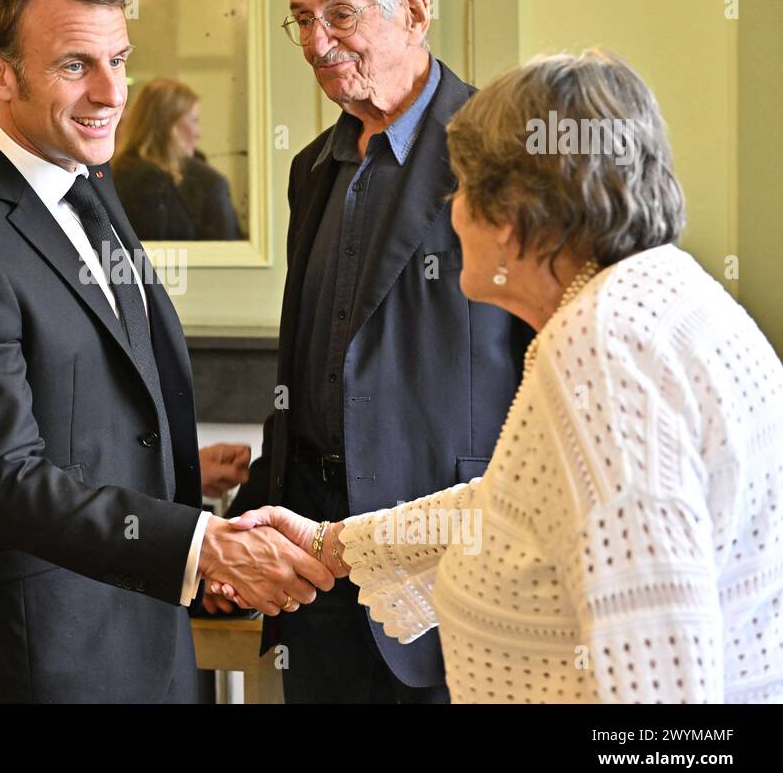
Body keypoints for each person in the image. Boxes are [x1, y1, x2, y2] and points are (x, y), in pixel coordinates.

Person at [217, 48, 783, 703]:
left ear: (517, 214)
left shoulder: (604, 350)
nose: (451, 211)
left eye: (459, 187)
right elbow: (518, 504)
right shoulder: (642, 300)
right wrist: (336, 542)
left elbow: (659, 696)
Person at [0, 0, 333, 704]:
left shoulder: (90, 180)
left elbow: (85, 395)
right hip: (46, 651)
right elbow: (1, 476)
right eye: (75, 66)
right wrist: (201, 547)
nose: (110, 93)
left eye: (119, 60)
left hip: (148, 621)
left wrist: (182, 484)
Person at [219, 0, 533, 699]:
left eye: (340, 13)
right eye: (301, 18)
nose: (316, 42)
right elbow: (305, 369)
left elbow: (544, 371)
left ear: (416, 13)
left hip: (453, 573)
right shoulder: (312, 170)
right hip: (320, 574)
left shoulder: (508, 155)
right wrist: (251, 518)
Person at [113, 78, 241, 240]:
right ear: (168, 124)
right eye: (193, 120)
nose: (198, 132)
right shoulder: (147, 178)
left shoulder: (128, 170)